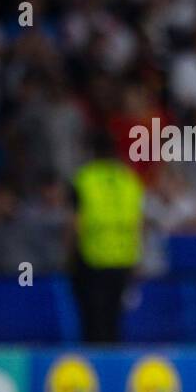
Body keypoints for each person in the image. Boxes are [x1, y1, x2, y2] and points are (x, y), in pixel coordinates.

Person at [70, 142, 144, 342]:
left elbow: (75, 222)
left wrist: (68, 255)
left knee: (93, 321)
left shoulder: (85, 178)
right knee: (114, 319)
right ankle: (110, 367)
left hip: (91, 258)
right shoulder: (129, 180)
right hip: (123, 258)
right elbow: (138, 222)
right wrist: (137, 258)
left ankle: (92, 366)